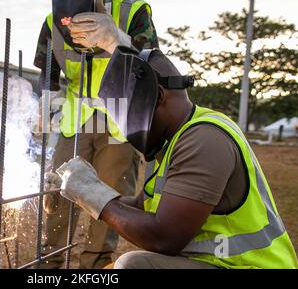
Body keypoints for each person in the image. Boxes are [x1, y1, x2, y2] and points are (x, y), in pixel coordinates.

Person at [49, 45, 298, 269]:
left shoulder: (203, 140)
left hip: (247, 266)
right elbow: (140, 207)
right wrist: (83, 190)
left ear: (158, 96)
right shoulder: (176, 139)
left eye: (128, 114)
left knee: (133, 266)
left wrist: (93, 195)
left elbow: (164, 237)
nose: (126, 128)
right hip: (218, 262)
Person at [33, 0, 159, 269]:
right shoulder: (54, 19)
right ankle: (50, 262)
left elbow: (152, 61)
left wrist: (116, 35)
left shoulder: (133, 10)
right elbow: (48, 72)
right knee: (59, 190)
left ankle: (95, 265)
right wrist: (44, 106)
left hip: (119, 118)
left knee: (108, 195)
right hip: (76, 117)